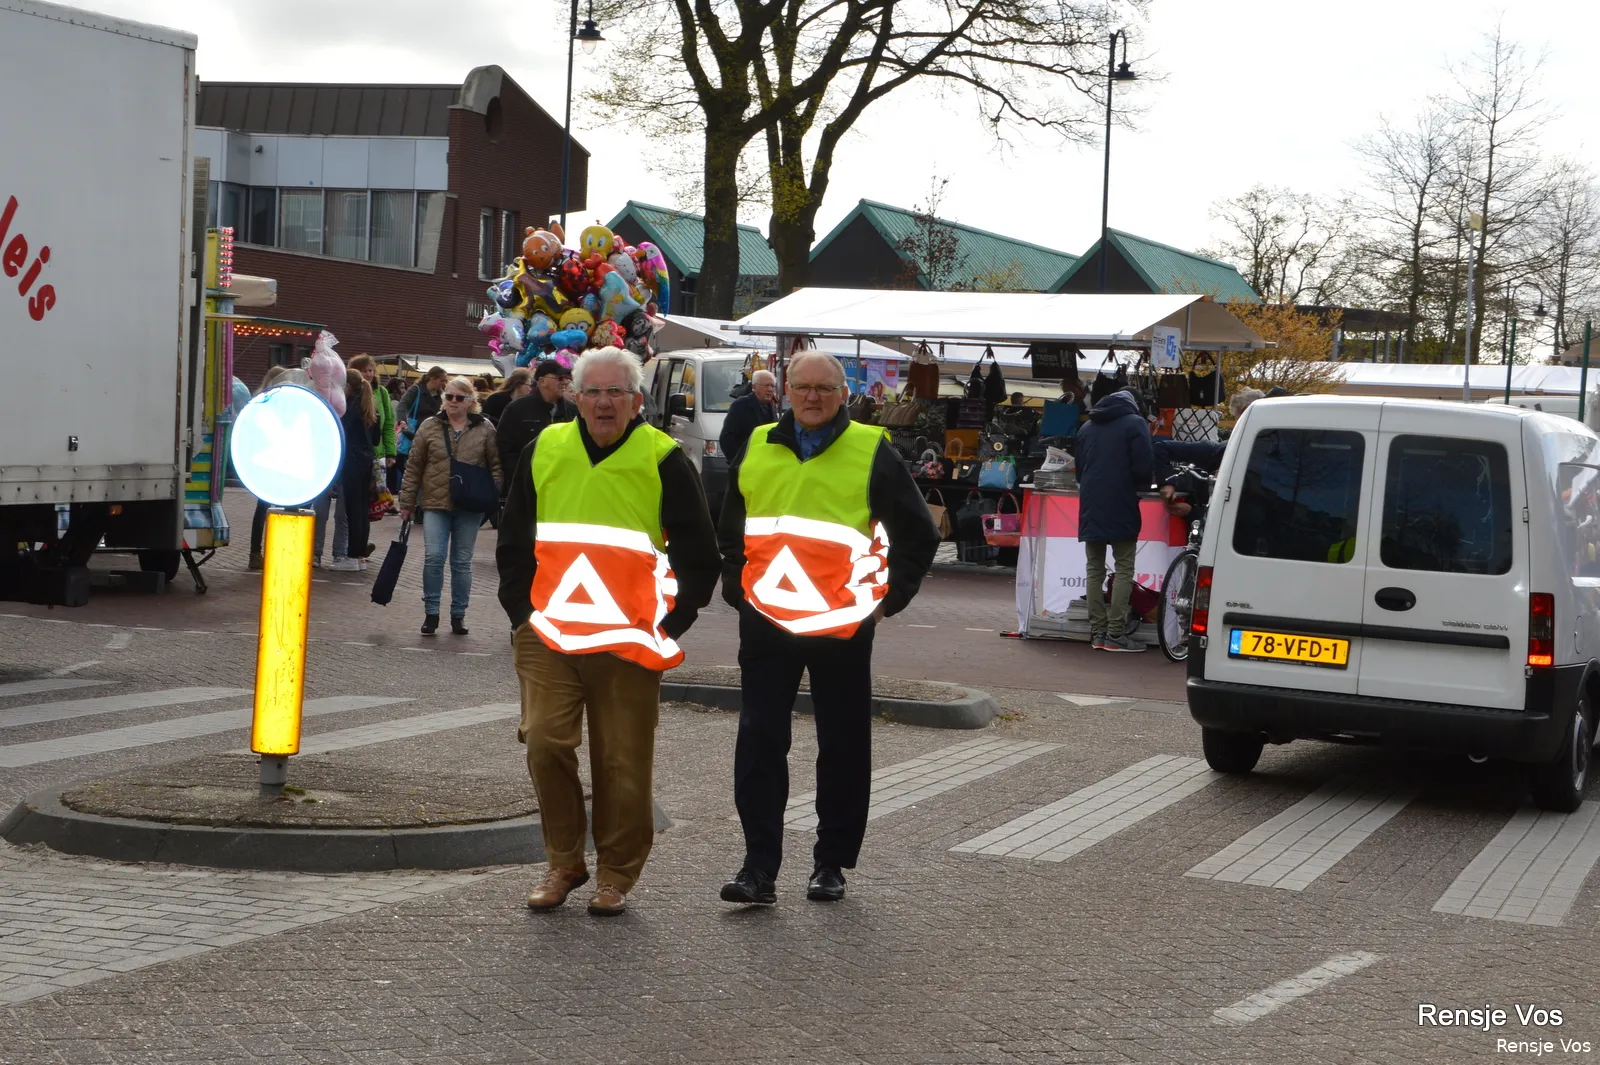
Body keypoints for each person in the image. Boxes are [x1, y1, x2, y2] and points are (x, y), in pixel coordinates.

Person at [496, 347, 719, 917]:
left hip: (629, 640)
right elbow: (515, 539)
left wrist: (669, 624)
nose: (602, 402)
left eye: (615, 392)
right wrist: (521, 613)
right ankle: (565, 861)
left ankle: (617, 873)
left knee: (622, 763)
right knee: (545, 742)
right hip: (548, 634)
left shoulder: (664, 459)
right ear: (574, 396)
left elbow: (700, 555)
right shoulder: (543, 449)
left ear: (636, 401)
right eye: (592, 391)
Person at [717, 351, 941, 906]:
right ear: (783, 392)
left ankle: (831, 862)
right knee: (760, 741)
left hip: (843, 622)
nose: (812, 397)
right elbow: (729, 526)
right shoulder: (757, 444)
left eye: (824, 388)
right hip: (767, 620)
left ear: (844, 393)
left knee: (841, 743)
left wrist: (886, 603)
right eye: (802, 387)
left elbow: (918, 535)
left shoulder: (871, 449)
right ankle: (758, 867)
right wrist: (737, 591)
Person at [398, 376, 503, 635]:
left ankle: (458, 614)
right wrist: (407, 501)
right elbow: (414, 466)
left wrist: (490, 494)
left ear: (471, 402)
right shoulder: (429, 426)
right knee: (434, 557)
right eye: (449, 396)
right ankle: (431, 613)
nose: (453, 402)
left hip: (469, 505)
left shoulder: (485, 428)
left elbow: (497, 466)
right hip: (435, 502)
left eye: (459, 397)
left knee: (462, 561)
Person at [1075, 388, 1154, 652]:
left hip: (1090, 503)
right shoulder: (1135, 423)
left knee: (1094, 569)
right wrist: (1143, 485)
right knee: (1123, 567)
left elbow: (1080, 468)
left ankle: (1097, 633)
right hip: (1121, 499)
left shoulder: (1086, 428)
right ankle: (1116, 634)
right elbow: (1144, 464)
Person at [327, 369, 379, 572]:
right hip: (366, 462)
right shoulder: (370, 409)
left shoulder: (349, 409)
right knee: (361, 512)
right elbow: (376, 439)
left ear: (347, 387)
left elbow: (341, 434)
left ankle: (351, 556)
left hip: (352, 463)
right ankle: (358, 556)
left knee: (352, 511)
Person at [496, 360, 577, 491]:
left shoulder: (573, 411)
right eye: (559, 378)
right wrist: (519, 477)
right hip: (526, 487)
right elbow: (504, 447)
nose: (565, 382)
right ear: (542, 381)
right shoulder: (517, 409)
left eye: (566, 378)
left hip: (564, 486)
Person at [247, 365, 291, 572]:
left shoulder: (258, 402)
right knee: (281, 507)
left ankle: (256, 552)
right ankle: (277, 552)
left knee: (262, 508)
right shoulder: (278, 404)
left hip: (264, 464)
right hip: (276, 462)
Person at [349, 355, 396, 511]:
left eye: (371, 370)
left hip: (377, 453)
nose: (368, 374)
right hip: (355, 455)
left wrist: (391, 453)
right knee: (356, 504)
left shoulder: (381, 392)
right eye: (364, 371)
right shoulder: (349, 393)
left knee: (374, 501)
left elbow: (388, 424)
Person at [395, 366, 448, 496]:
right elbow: (402, 406)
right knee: (414, 469)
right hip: (415, 434)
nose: (444, 383)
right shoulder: (416, 390)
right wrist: (403, 422)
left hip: (435, 436)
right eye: (442, 380)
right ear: (432, 378)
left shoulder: (443, 395)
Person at [717, 368, 778, 461]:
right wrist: (738, 462)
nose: (770, 389)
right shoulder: (741, 405)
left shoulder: (771, 406)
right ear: (754, 387)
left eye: (772, 386)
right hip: (746, 462)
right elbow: (726, 438)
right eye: (766, 386)